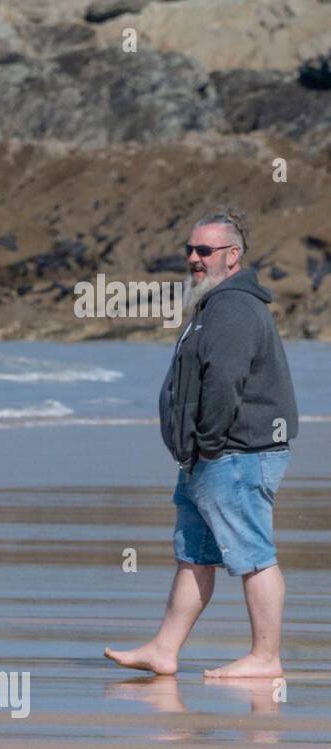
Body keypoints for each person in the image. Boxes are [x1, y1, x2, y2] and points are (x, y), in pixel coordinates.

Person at [106, 210, 299, 679]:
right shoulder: (214, 304)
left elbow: (224, 382)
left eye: (205, 250)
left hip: (235, 454)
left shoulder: (234, 306)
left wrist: (208, 444)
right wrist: (195, 450)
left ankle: (265, 657)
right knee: (194, 555)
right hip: (209, 457)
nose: (194, 258)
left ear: (233, 255)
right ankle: (164, 649)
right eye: (190, 249)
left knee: (253, 555)